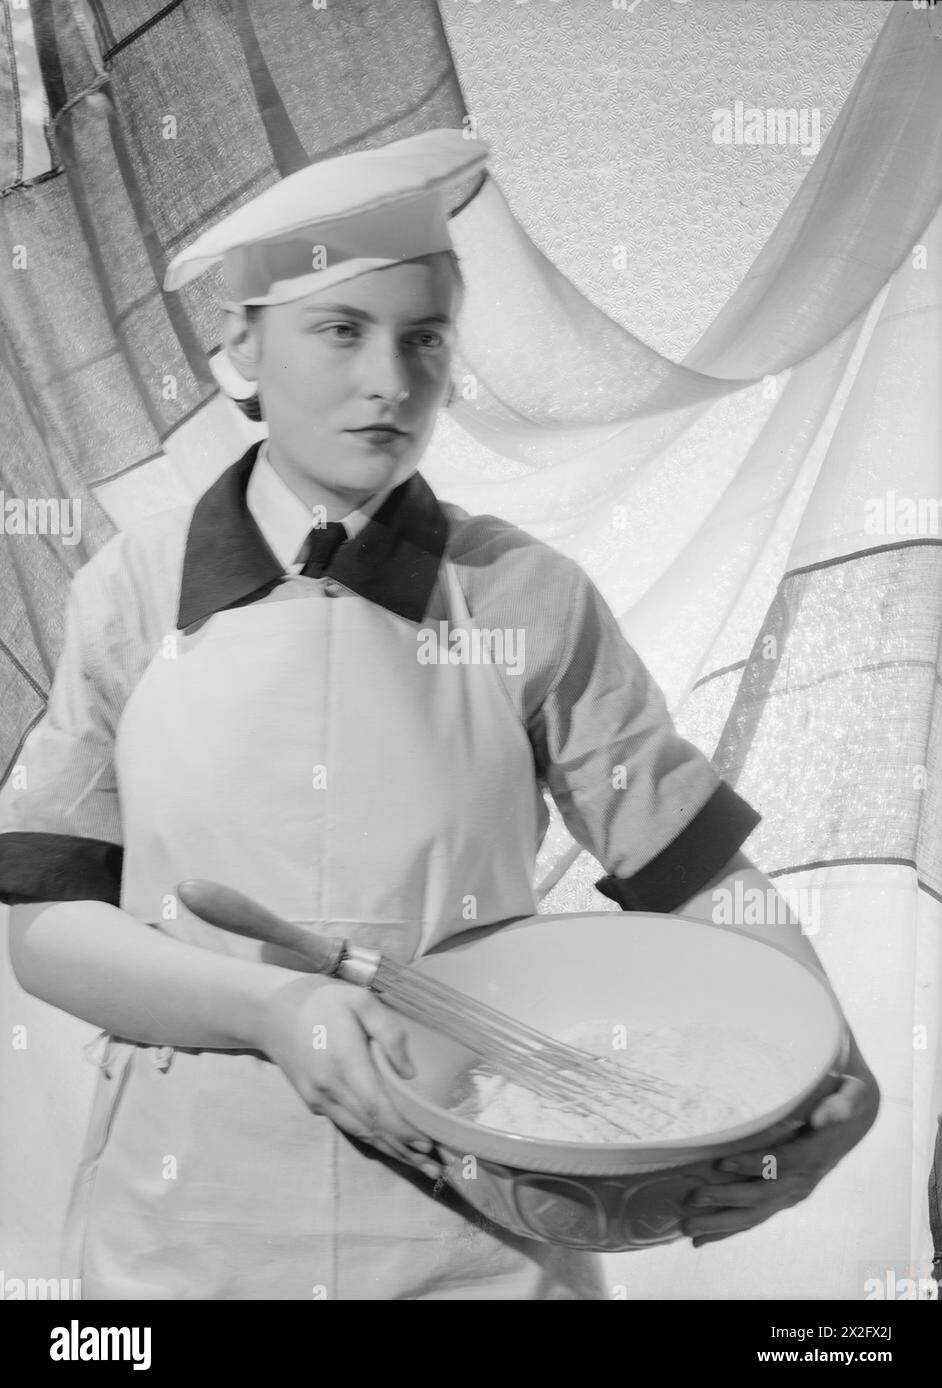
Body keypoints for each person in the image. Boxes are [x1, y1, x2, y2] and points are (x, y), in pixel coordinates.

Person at [0, 129, 879, 1300]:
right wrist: (274, 1008)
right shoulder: (130, 591)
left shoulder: (528, 596)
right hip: (187, 1239)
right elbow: (47, 924)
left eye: (424, 338)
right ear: (234, 354)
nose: (391, 380)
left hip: (483, 1237)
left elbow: (695, 872)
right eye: (340, 330)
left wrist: (836, 1059)